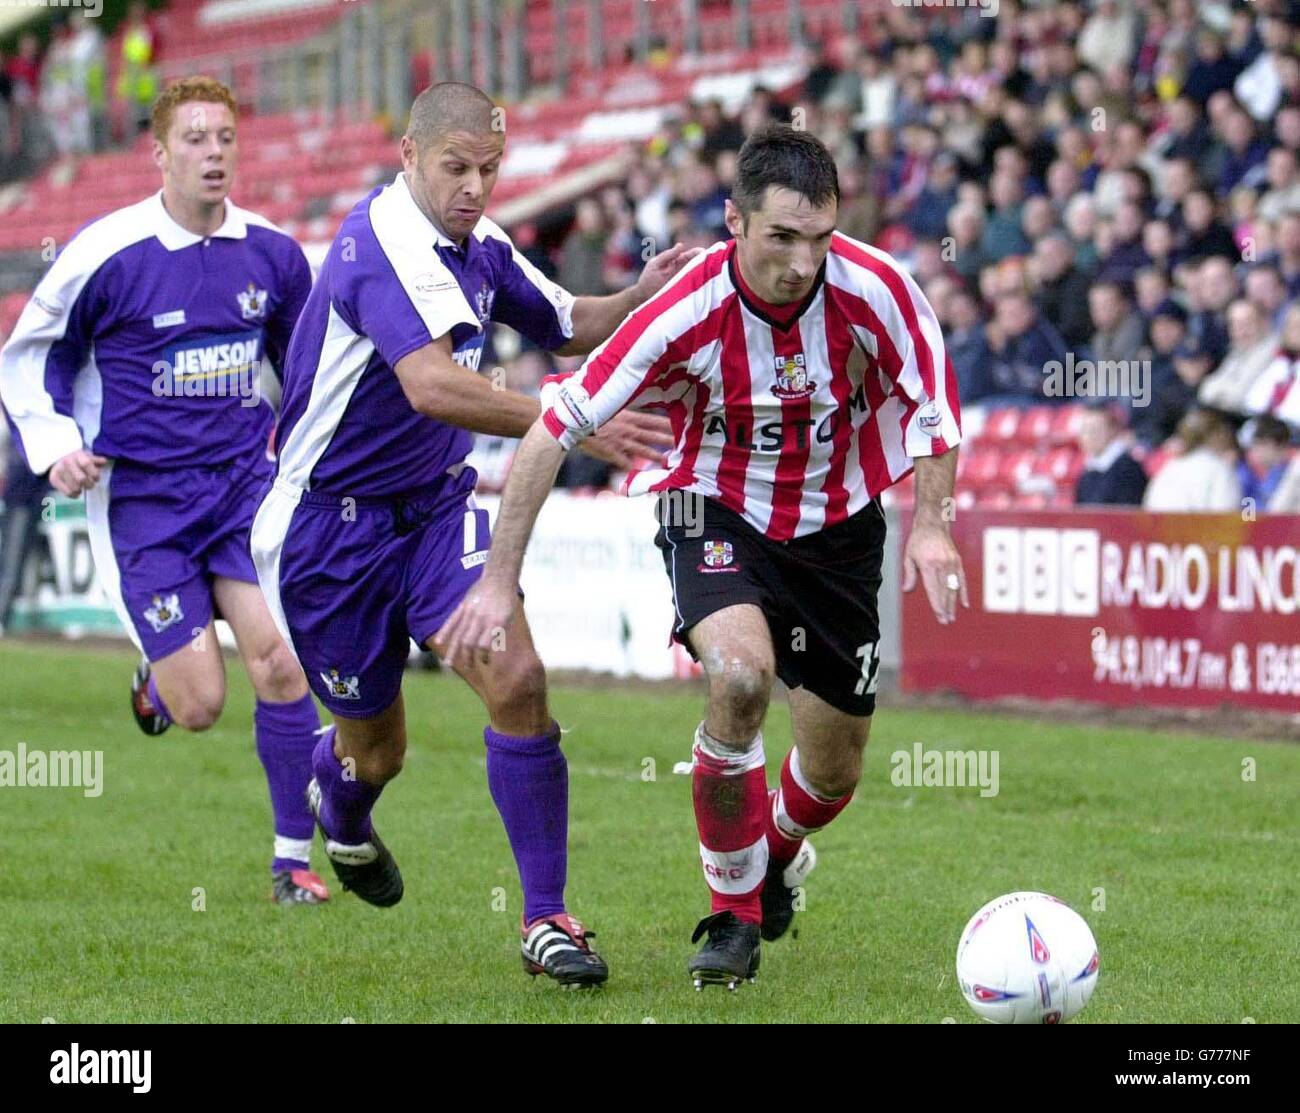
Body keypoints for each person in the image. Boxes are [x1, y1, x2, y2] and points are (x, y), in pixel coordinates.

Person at [437, 125, 965, 990]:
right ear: (734, 221)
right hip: (711, 507)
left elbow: (933, 411)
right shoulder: (682, 310)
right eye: (781, 238)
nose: (802, 262)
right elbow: (550, 428)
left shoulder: (881, 290)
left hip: (839, 527)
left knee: (832, 771)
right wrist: (498, 583)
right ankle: (733, 913)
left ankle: (777, 851)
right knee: (742, 679)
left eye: (820, 238)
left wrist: (935, 523)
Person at [249, 82, 691, 987]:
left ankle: (545, 918)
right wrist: (571, 421)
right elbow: (433, 386)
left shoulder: (479, 244)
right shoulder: (376, 244)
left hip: (435, 509)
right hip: (326, 534)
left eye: (489, 169)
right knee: (380, 751)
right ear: (408, 156)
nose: (476, 186)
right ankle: (339, 805)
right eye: (456, 167)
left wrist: (641, 295)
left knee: (518, 678)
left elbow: (565, 323)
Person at [0, 77, 330, 907]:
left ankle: (292, 862)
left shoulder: (275, 256)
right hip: (143, 503)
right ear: (159, 153)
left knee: (282, 662)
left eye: (224, 137)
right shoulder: (104, 254)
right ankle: (158, 677)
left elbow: (307, 371)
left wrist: (309, 459)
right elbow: (30, 354)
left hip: (240, 488)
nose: (213, 152)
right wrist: (56, 447)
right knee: (200, 704)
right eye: (194, 139)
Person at [1074, 403, 1148, 506]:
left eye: (1094, 430)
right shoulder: (1088, 471)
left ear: (1113, 430)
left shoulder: (1128, 469)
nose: (1088, 436)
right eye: (1084, 430)